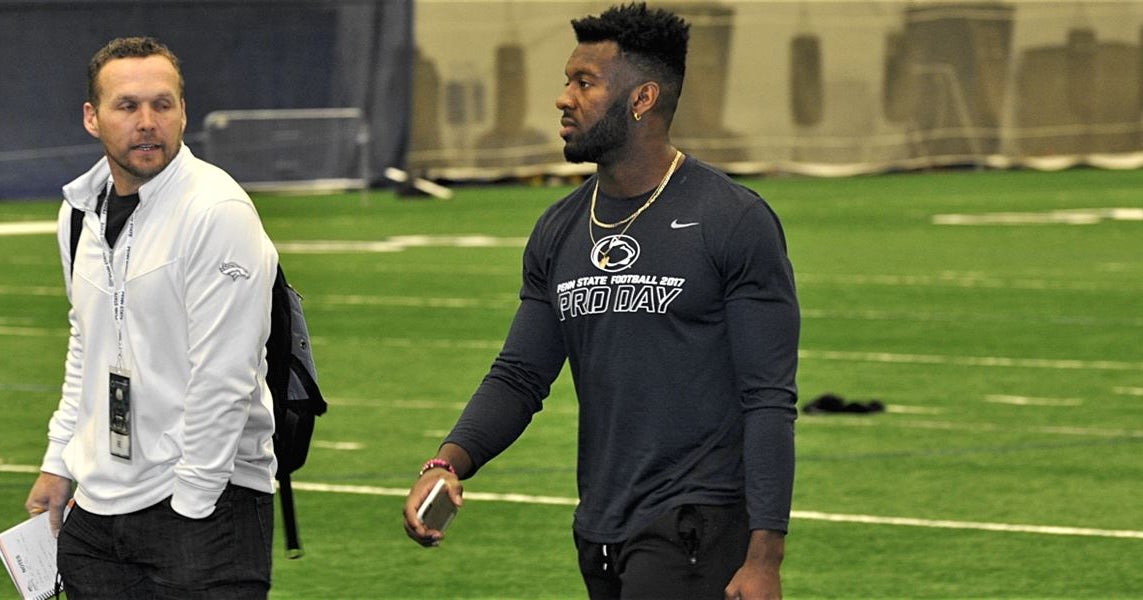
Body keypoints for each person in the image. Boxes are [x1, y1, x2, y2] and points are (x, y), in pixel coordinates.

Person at [404, 3, 799, 599]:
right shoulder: (560, 228)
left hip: (698, 524)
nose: (564, 98)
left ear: (642, 100)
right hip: (599, 526)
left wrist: (765, 557)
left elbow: (768, 398)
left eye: (584, 83)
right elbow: (519, 375)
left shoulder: (734, 221)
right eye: (567, 81)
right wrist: (447, 463)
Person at [23, 36, 278, 599]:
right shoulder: (77, 213)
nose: (147, 122)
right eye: (127, 106)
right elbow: (85, 344)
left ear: (183, 112)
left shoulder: (216, 210)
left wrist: (191, 503)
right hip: (97, 509)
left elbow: (226, 374)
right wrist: (59, 462)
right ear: (92, 118)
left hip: (203, 506)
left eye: (162, 105)